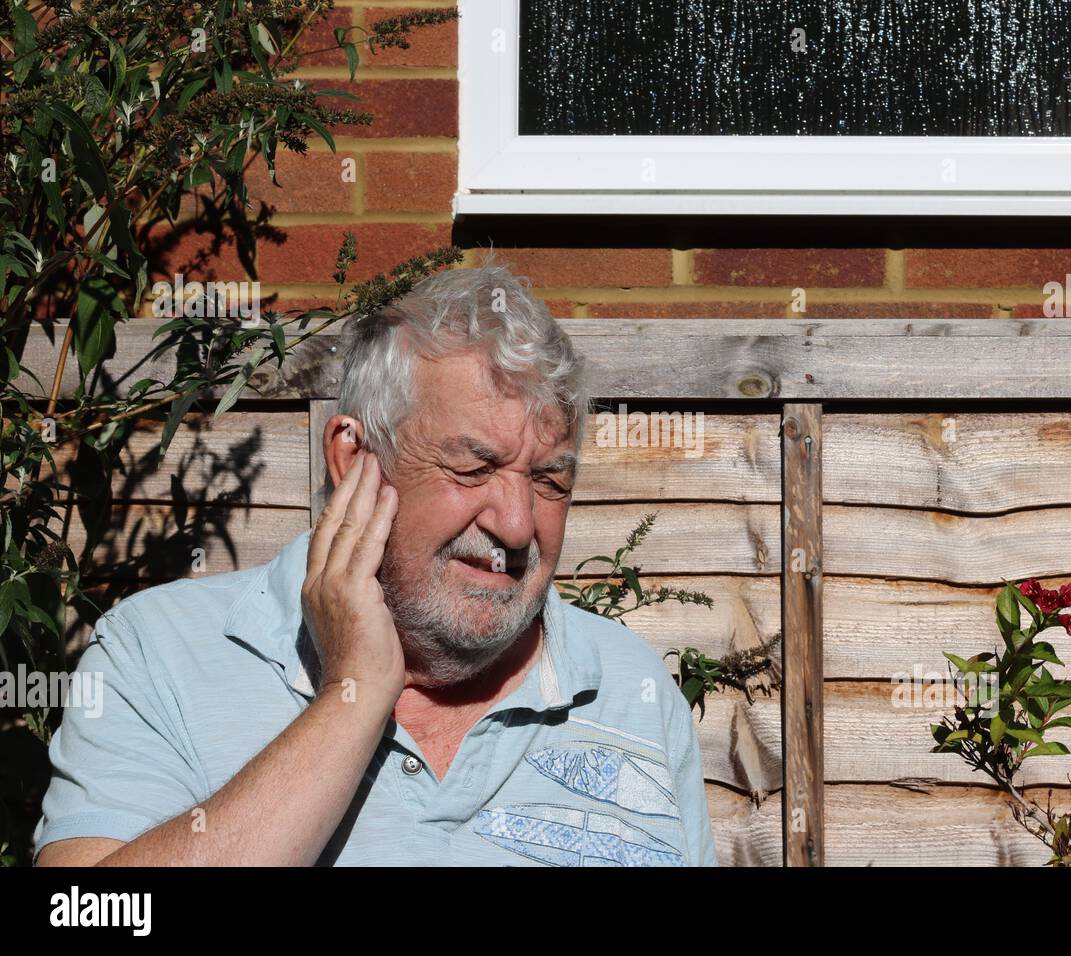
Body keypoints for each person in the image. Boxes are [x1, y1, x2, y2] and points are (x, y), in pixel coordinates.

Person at [34, 260, 718, 866]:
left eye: (548, 481)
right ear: (355, 460)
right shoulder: (160, 652)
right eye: (473, 467)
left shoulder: (629, 688)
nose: (515, 525)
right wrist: (352, 695)